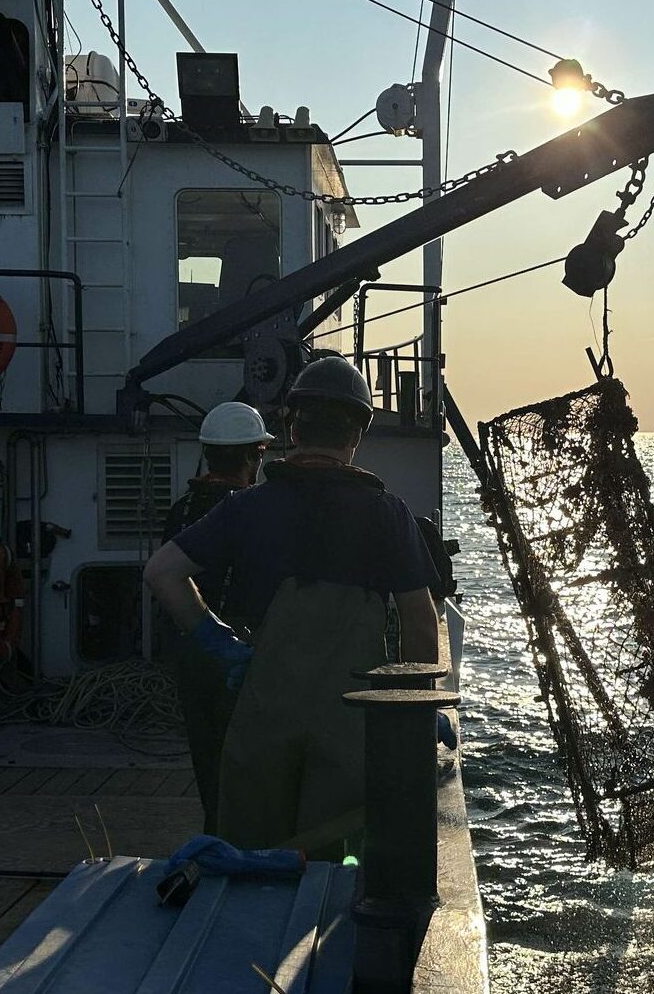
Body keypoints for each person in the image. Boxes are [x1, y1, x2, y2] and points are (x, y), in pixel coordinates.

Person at [144, 356, 441, 857]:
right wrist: (413, 710)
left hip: (262, 712)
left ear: (291, 426)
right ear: (359, 433)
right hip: (353, 721)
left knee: (251, 852)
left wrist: (220, 643)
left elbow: (162, 573)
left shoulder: (246, 507)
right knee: (338, 861)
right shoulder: (386, 512)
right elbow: (420, 621)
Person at [159, 401, 274, 834]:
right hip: (244, 657)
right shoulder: (253, 513)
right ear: (255, 455)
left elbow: (165, 579)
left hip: (193, 654)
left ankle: (216, 834)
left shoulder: (181, 510)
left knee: (207, 756)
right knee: (247, 760)